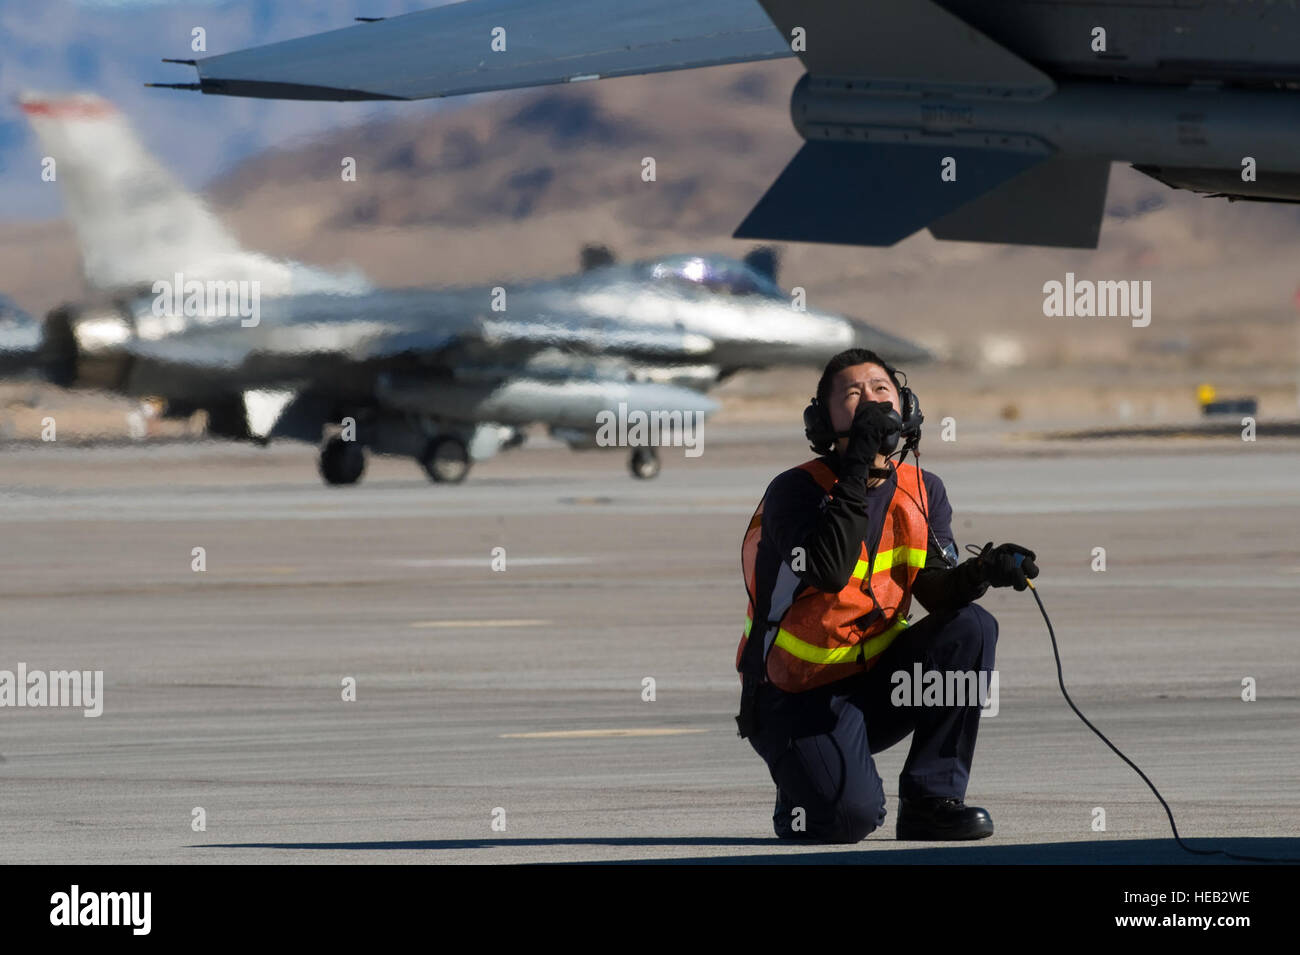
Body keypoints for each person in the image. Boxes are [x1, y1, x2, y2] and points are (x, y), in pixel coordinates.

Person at [735, 347, 1039, 843]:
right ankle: (804, 788)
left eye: (881, 391)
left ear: (906, 407)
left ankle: (930, 801)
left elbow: (937, 593)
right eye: (852, 395)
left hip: (876, 688)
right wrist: (859, 467)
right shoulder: (796, 490)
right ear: (823, 418)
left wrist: (984, 570)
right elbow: (829, 571)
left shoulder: (922, 489)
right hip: (795, 694)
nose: (871, 402)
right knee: (849, 821)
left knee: (971, 626)